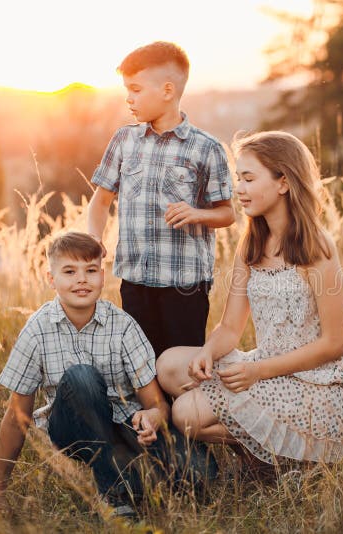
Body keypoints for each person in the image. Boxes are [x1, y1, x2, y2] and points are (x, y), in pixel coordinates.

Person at [157, 131, 343, 471]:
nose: (238, 189)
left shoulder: (316, 247)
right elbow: (229, 327)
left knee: (186, 413)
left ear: (283, 182)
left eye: (249, 178)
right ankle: (267, 453)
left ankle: (288, 458)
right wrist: (208, 354)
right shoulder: (252, 244)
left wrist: (257, 371)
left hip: (321, 385)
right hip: (269, 371)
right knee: (169, 365)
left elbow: (335, 343)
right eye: (237, 178)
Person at [0, 232, 216, 518]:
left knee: (203, 473)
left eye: (91, 270)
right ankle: (114, 497)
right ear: (50, 278)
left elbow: (157, 404)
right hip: (72, 430)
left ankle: (126, 476)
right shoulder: (36, 330)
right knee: (82, 377)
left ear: (102, 275)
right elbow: (16, 417)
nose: (81, 279)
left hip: (124, 427)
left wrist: (152, 418)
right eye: (69, 271)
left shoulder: (123, 326)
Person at [87, 41, 235, 358]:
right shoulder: (124, 140)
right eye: (127, 89)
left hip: (185, 284)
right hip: (135, 279)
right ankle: (152, 410)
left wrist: (197, 214)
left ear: (168, 91)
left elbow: (227, 214)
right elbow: (100, 201)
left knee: (180, 366)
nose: (129, 98)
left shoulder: (206, 148)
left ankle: (183, 409)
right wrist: (93, 238)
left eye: (136, 89)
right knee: (142, 365)